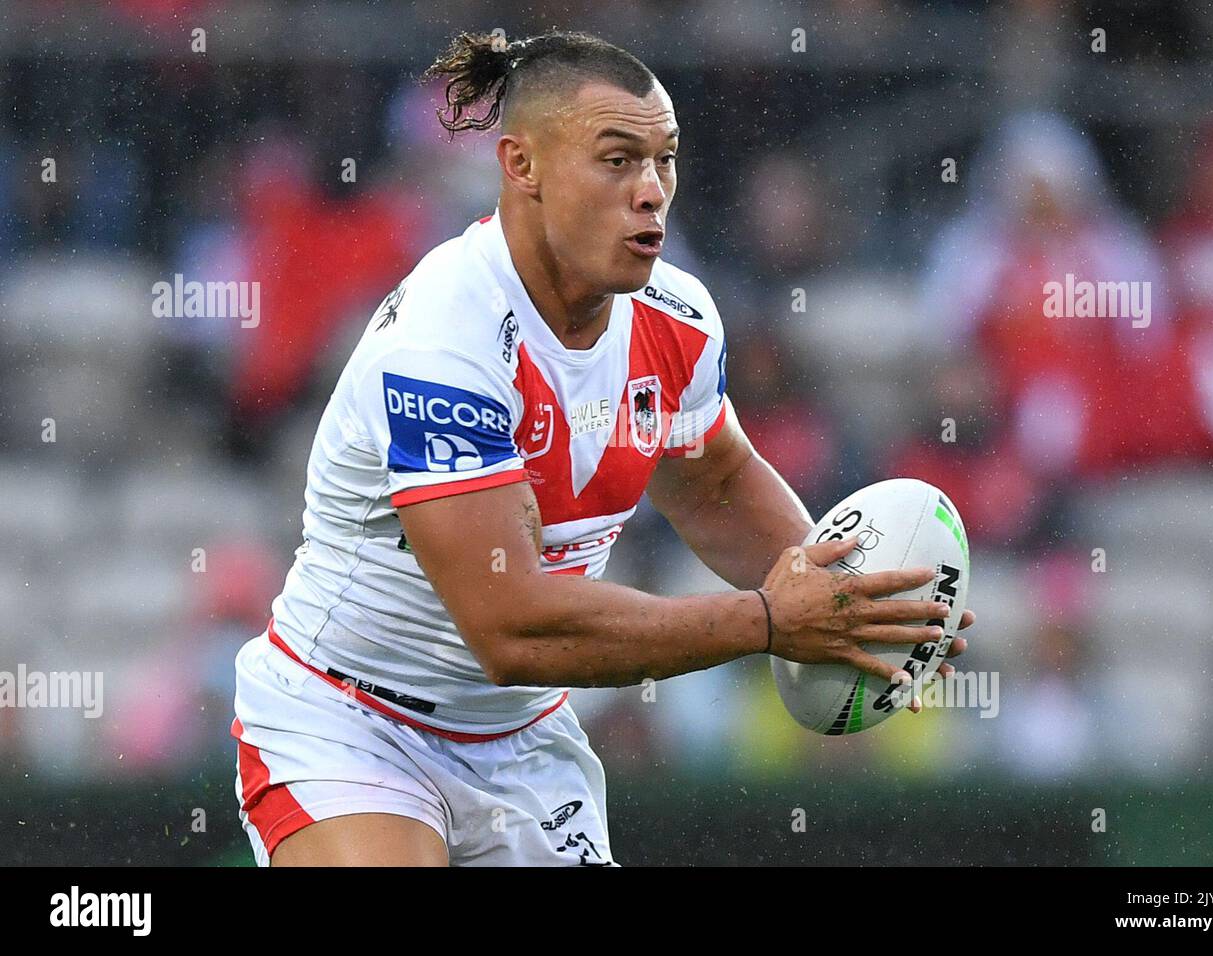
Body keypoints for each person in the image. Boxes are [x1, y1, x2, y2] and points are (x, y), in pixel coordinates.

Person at [230, 29, 975, 867]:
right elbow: (509, 630)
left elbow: (714, 480)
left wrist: (858, 603)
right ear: (522, 167)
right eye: (618, 160)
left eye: (665, 160)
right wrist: (769, 621)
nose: (653, 191)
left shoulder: (679, 315)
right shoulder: (446, 342)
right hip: (352, 720)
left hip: (522, 738)